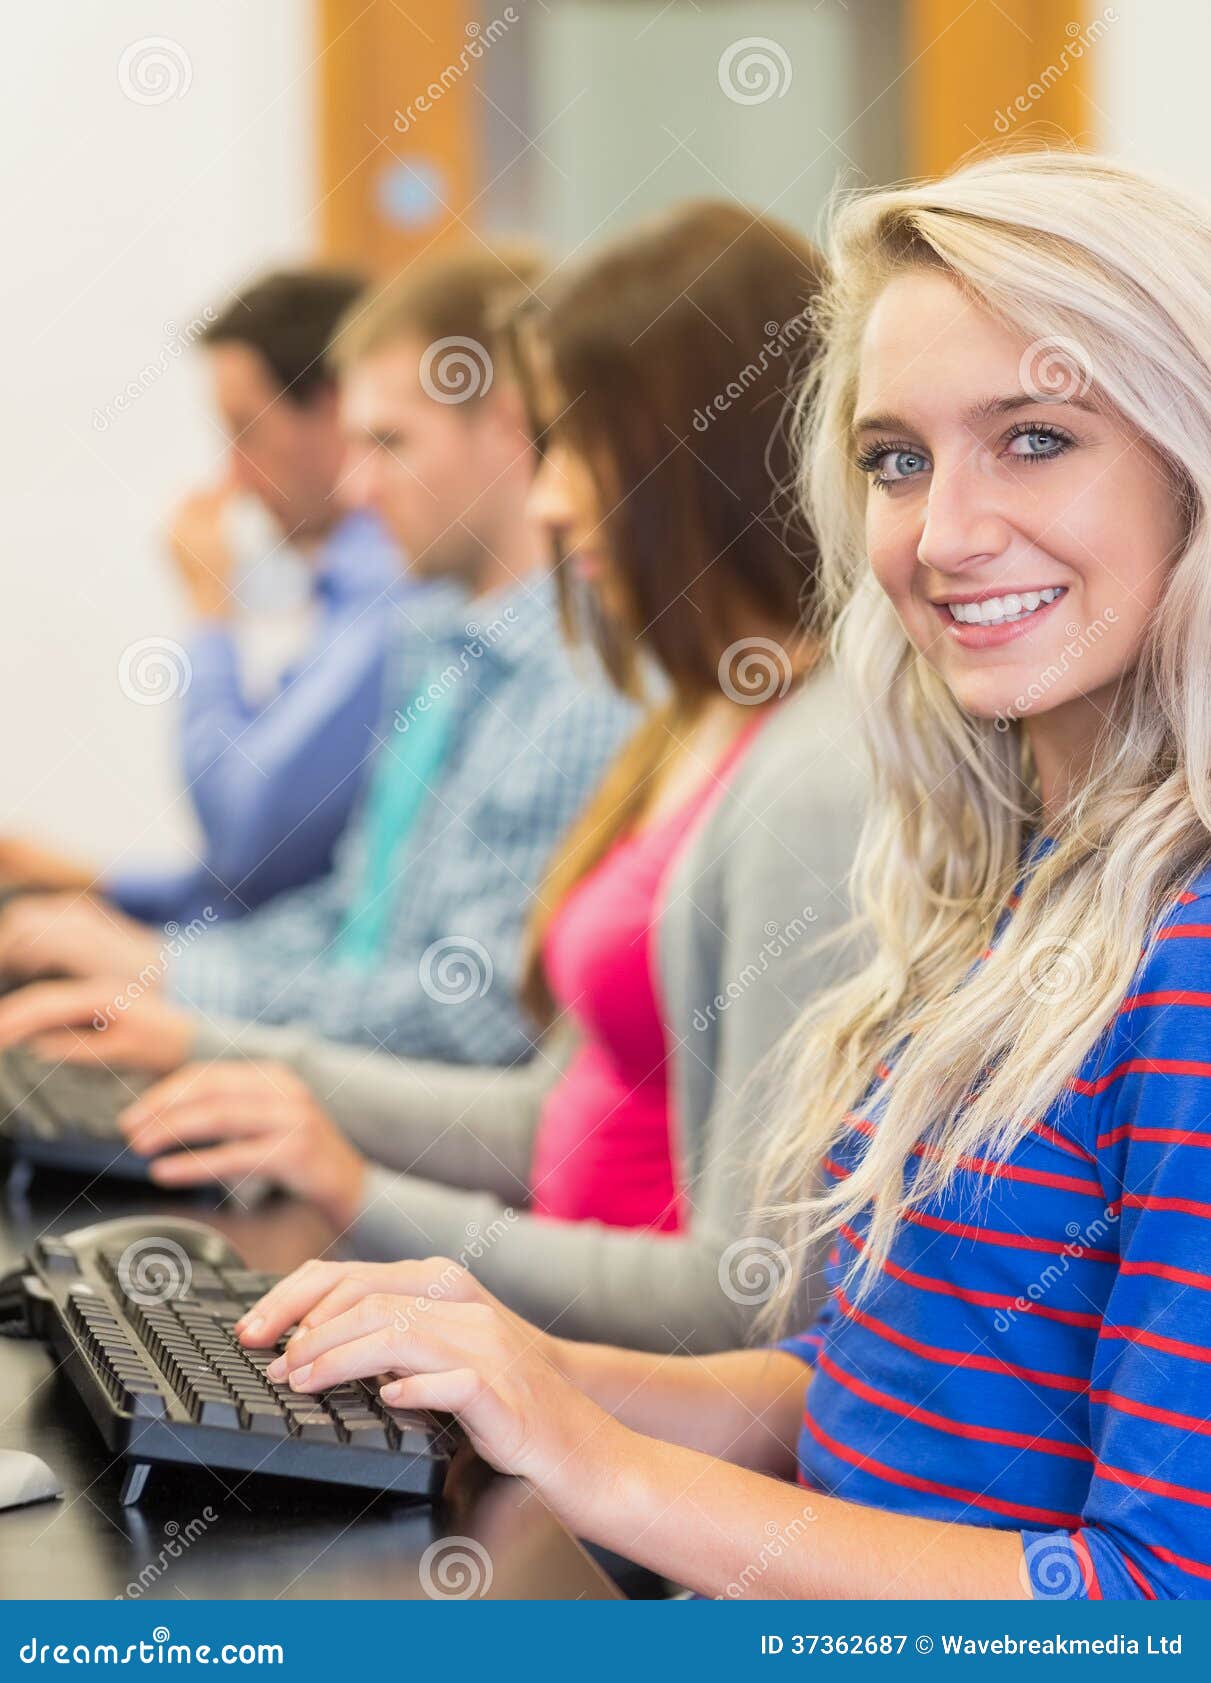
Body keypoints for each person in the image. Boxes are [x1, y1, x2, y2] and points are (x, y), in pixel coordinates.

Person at [221, 151, 1211, 1598]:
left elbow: (1154, 1604)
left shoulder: (1182, 947)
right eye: (895, 460)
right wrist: (527, 1366)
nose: (938, 535)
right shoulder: (1022, 887)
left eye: (1034, 439)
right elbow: (858, 1398)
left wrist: (590, 1455)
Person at [0, 203, 868, 1354]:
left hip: (601, 1378)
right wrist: (237, 1068)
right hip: (557, 1341)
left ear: (683, 453)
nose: (553, 497)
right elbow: (544, 1115)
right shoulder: (693, 727)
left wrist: (356, 1190)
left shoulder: (795, 766)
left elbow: (742, 1297)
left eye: (572, 442)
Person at [0, 245, 635, 1063]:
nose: (356, 489)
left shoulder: (580, 678)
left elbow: (475, 1016)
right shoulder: (437, 639)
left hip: (393, 1123)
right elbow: (350, 916)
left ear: (507, 430)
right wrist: (165, 971)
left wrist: (169, 985)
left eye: (390, 443)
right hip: (334, 1073)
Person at [0, 269, 418, 924]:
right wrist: (103, 888)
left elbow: (248, 838)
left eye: (245, 429)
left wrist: (207, 609)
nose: (232, 476)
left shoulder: (395, 590)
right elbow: (271, 880)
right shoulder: (348, 589)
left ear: (336, 409)